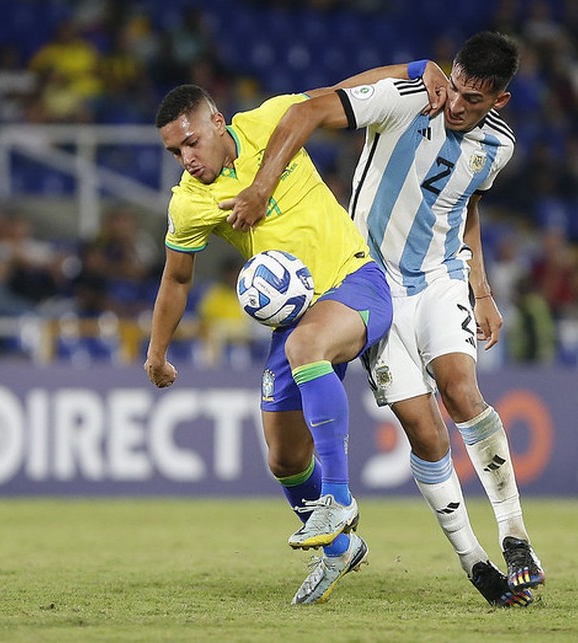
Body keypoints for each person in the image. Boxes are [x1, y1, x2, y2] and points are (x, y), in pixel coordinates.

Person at [226, 32, 543, 607]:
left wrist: (482, 287)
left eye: (474, 100)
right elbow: (317, 104)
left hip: (441, 275)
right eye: (457, 87)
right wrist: (263, 184)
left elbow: (465, 200)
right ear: (452, 72)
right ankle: (476, 564)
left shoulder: (499, 147)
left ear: (499, 101)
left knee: (461, 389)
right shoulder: (408, 95)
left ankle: (516, 538)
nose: (456, 105)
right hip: (376, 284)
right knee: (425, 430)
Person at [144, 64, 446, 605]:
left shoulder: (267, 121)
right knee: (283, 459)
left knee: (307, 346)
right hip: (295, 318)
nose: (187, 158)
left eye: (191, 142)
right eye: (175, 152)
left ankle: (338, 499)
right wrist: (157, 353)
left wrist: (416, 70)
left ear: (217, 122)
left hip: (355, 282)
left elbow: (343, 94)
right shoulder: (190, 203)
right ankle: (339, 550)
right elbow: (177, 277)